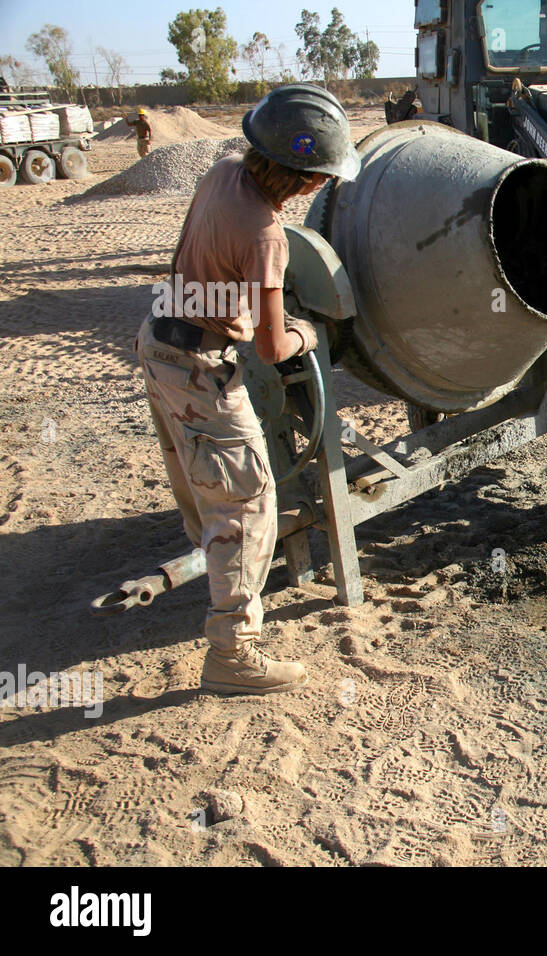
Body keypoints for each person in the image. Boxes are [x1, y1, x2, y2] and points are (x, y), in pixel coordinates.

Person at [135, 84, 360, 695]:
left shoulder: (221, 170)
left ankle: (217, 571)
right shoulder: (267, 236)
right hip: (198, 369)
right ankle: (233, 653)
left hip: (157, 340)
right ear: (308, 181)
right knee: (249, 501)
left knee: (203, 486)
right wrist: (308, 335)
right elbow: (268, 348)